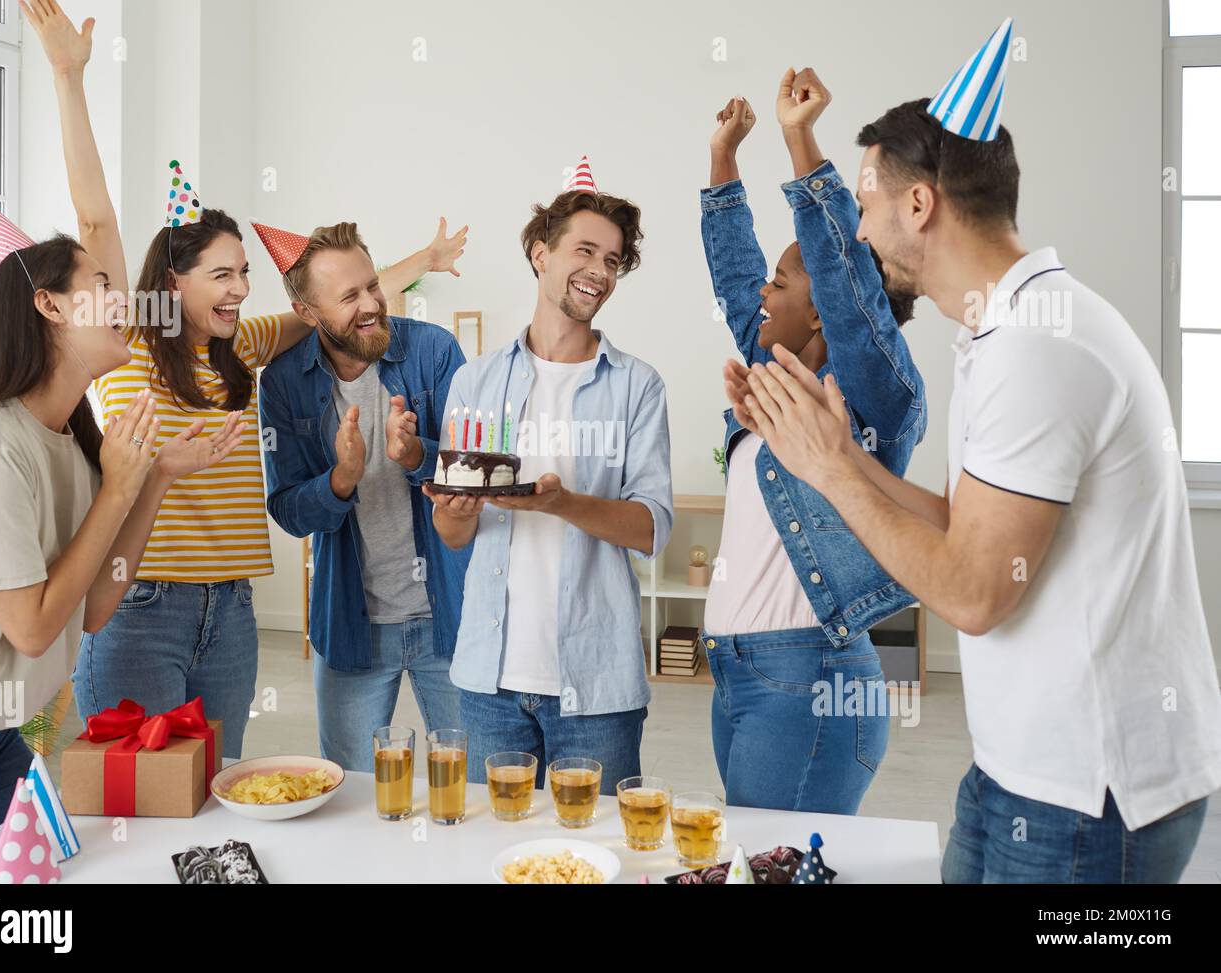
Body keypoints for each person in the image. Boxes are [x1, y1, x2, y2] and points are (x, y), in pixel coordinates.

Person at [730, 22, 1221, 882]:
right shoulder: (1005, 333)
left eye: (865, 201)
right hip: (1019, 769)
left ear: (919, 204)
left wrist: (831, 468)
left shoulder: (1037, 344)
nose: (857, 230)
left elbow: (975, 591)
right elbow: (969, 529)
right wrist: (841, 450)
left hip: (1089, 796)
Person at [21, 0, 466, 758]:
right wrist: (68, 79)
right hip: (144, 600)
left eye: (245, 274)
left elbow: (338, 306)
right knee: (139, 790)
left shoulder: (248, 347)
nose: (238, 290)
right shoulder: (124, 340)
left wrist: (417, 265)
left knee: (215, 785)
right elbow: (95, 222)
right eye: (222, 275)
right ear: (172, 281)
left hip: (231, 610)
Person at [0, 208, 240, 869]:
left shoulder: (72, 440)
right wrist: (119, 489)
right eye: (101, 283)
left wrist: (151, 479)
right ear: (49, 306)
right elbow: (34, 629)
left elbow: (92, 608)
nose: (123, 297)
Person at [698, 69, 925, 813]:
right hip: (736, 672)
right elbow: (735, 279)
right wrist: (723, 158)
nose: (764, 290)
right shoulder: (775, 381)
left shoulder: (872, 402)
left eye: (783, 279)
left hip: (810, 676)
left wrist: (801, 140)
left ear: (824, 310)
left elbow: (844, 277)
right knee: (756, 856)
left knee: (768, 859)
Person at [429, 160, 673, 794]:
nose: (599, 270)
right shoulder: (475, 382)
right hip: (490, 684)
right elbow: (453, 533)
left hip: (596, 689)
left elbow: (650, 528)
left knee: (599, 853)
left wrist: (562, 503)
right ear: (540, 254)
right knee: (492, 849)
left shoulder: (637, 385)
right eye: (584, 250)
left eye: (613, 261)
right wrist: (454, 510)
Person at [256, 220, 470, 771]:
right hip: (352, 625)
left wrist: (416, 455)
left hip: (450, 615)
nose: (372, 303)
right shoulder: (283, 382)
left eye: (372, 285)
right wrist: (340, 480)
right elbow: (288, 510)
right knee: (349, 797)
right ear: (309, 314)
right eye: (349, 296)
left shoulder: (435, 351)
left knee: (474, 791)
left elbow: (476, 473)